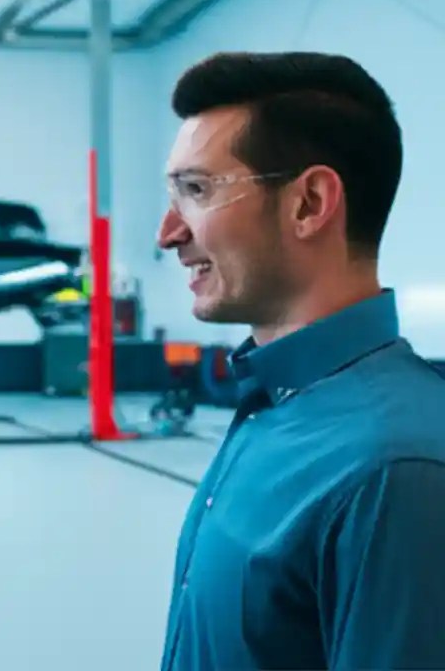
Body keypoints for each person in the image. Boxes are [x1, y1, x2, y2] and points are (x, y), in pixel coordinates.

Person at [156, 50, 445, 670]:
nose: (168, 232)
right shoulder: (275, 405)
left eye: (197, 190)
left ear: (310, 203)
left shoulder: (395, 468)